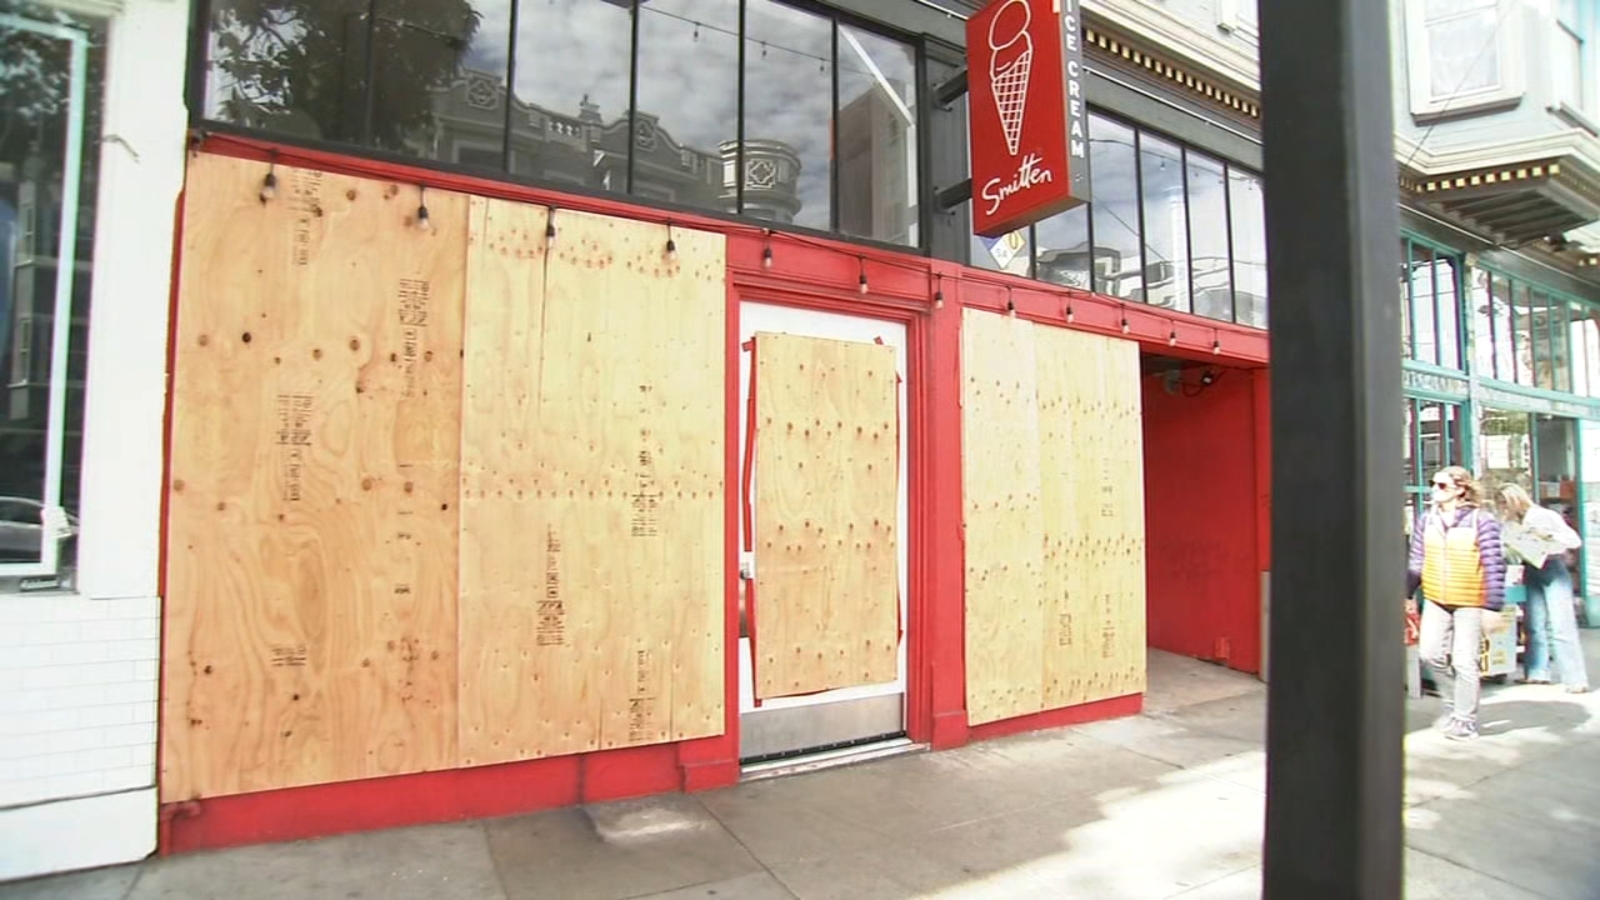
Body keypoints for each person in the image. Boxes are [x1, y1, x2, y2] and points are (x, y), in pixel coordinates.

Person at [1406, 466, 1507, 741]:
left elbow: (1494, 564)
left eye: (1442, 486)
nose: (1434, 490)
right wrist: (1407, 594)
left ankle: (1465, 719)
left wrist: (1492, 606)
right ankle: (1454, 704)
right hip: (1437, 598)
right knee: (1429, 655)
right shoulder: (1426, 520)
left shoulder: (1481, 520)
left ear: (1461, 489)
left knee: (1465, 661)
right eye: (1433, 484)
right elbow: (1417, 559)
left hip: (1471, 600)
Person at [1496, 484, 1591, 694]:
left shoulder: (1544, 516)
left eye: (1504, 504)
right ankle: (1537, 672)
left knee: (1561, 625)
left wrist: (1547, 536)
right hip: (1530, 568)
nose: (1503, 509)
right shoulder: (1511, 523)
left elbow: (1574, 540)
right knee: (1533, 623)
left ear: (1514, 501)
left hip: (1553, 566)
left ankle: (1575, 679)